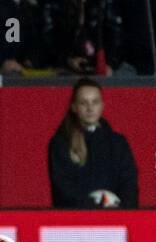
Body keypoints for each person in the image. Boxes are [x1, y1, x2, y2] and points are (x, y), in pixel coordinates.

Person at [48, 78, 139, 208]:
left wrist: (121, 210)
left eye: (95, 102)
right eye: (83, 103)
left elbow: (129, 183)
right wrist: (93, 206)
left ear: (102, 105)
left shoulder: (118, 143)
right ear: (74, 107)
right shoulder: (60, 144)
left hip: (116, 220)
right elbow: (63, 188)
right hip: (75, 222)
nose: (90, 108)